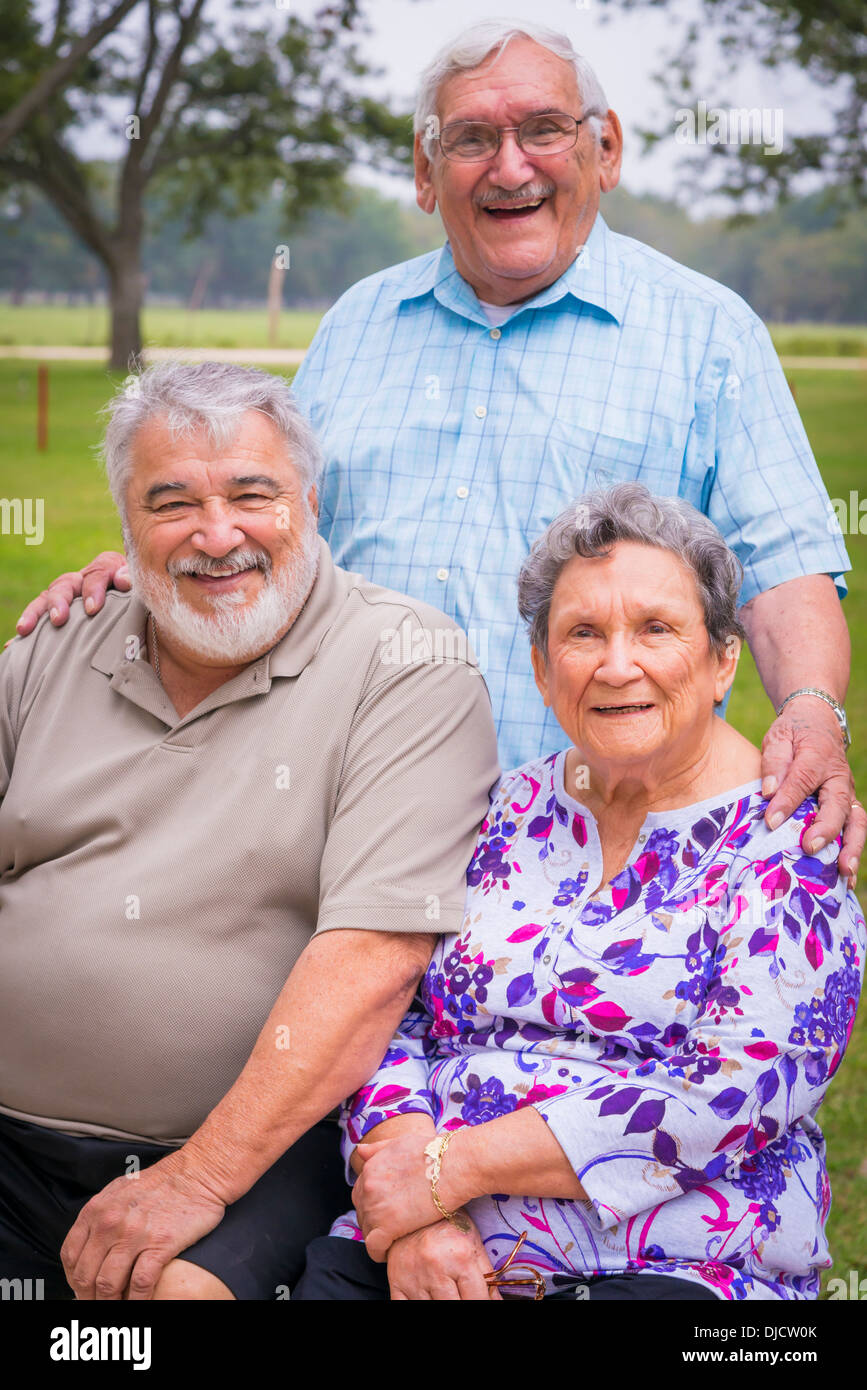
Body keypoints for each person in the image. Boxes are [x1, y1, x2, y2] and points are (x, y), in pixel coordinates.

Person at [15, 20, 863, 883]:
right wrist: (155, 580)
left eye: (542, 129)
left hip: (591, 852)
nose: (509, 166)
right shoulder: (355, 325)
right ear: (426, 172)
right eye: (470, 139)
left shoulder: (708, 334)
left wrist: (809, 708)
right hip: (340, 828)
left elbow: (783, 567)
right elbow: (274, 538)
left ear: (603, 150)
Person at [0, 361, 499, 1301]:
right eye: (172, 501)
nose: (216, 534)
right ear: (127, 526)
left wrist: (192, 1180)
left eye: (251, 494)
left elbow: (373, 959)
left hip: (238, 1152)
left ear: (309, 501)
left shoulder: (407, 667)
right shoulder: (60, 641)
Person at [293, 485, 864, 1302]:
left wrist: (447, 1170)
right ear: (540, 666)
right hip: (428, 1250)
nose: (616, 664)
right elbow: (388, 1014)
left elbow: (723, 1099)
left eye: (656, 629)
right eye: (582, 634)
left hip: (673, 1270)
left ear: (721, 659)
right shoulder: (497, 810)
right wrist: (418, 1217)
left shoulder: (789, 847)